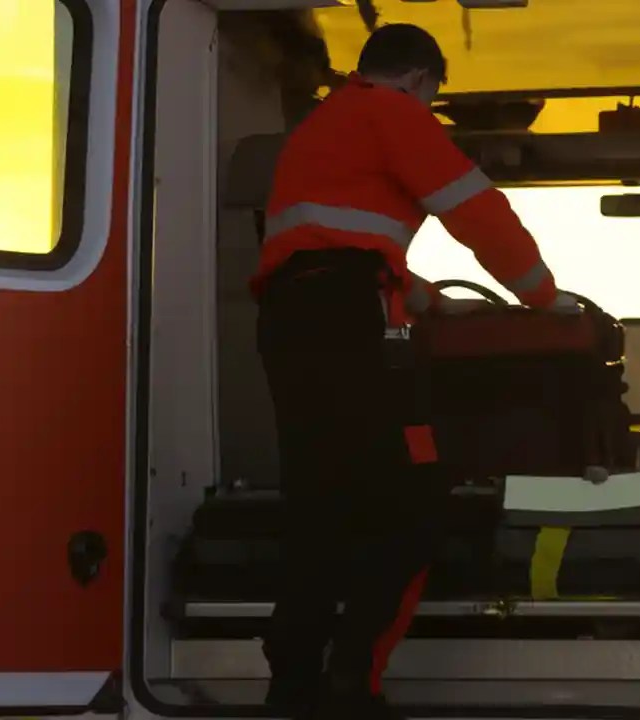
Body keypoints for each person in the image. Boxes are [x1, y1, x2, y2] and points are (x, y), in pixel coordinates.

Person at [250, 23, 579, 720]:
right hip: (347, 324)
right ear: (422, 81)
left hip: (291, 322)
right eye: (431, 98)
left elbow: (335, 249)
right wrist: (545, 300)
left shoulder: (322, 126)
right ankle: (353, 681)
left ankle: (294, 683)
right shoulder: (392, 111)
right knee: (417, 505)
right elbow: (476, 210)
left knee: (319, 501)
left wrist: (429, 302)